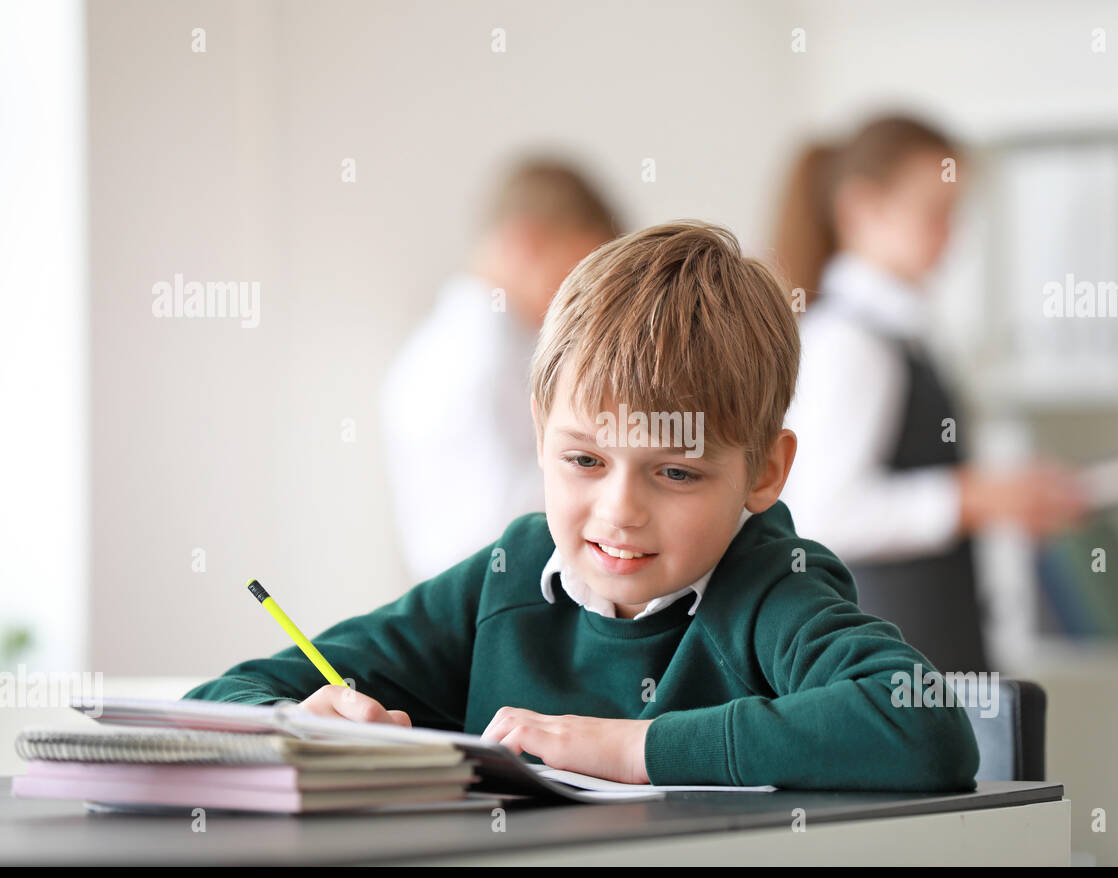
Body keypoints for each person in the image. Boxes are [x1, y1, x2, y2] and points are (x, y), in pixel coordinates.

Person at [185, 221, 979, 791]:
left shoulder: (771, 588)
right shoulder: (507, 576)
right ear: (540, 436)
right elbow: (221, 701)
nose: (619, 511)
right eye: (584, 461)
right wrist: (312, 720)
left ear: (765, 472)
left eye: (675, 474)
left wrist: (634, 748)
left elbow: (923, 727)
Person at [775, 114, 1086, 675]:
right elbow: (823, 513)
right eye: (935, 214)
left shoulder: (902, 333)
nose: (952, 235)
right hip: (887, 663)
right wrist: (976, 498)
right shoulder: (848, 341)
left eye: (956, 214)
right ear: (861, 208)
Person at [380, 158, 621, 581]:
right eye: (578, 270)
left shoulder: (464, 345)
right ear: (528, 241)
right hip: (495, 599)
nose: (590, 299)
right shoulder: (478, 357)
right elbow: (502, 523)